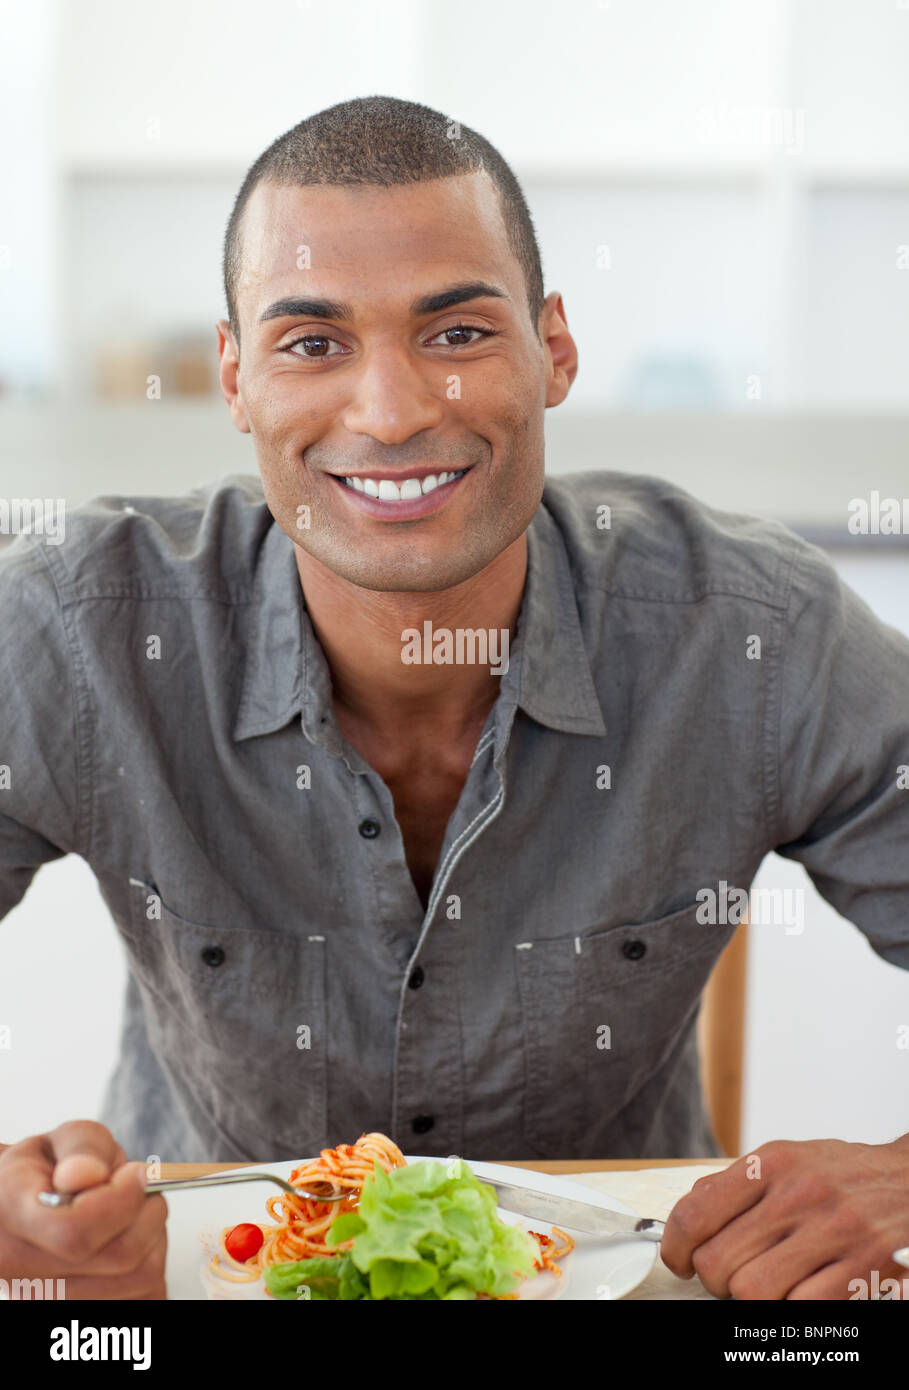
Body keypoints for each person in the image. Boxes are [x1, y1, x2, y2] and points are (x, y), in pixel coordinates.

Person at [1, 95, 907, 1301]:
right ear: (234, 376)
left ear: (555, 349)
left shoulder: (751, 634)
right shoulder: (76, 636)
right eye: (312, 343)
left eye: (459, 333)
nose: (391, 412)